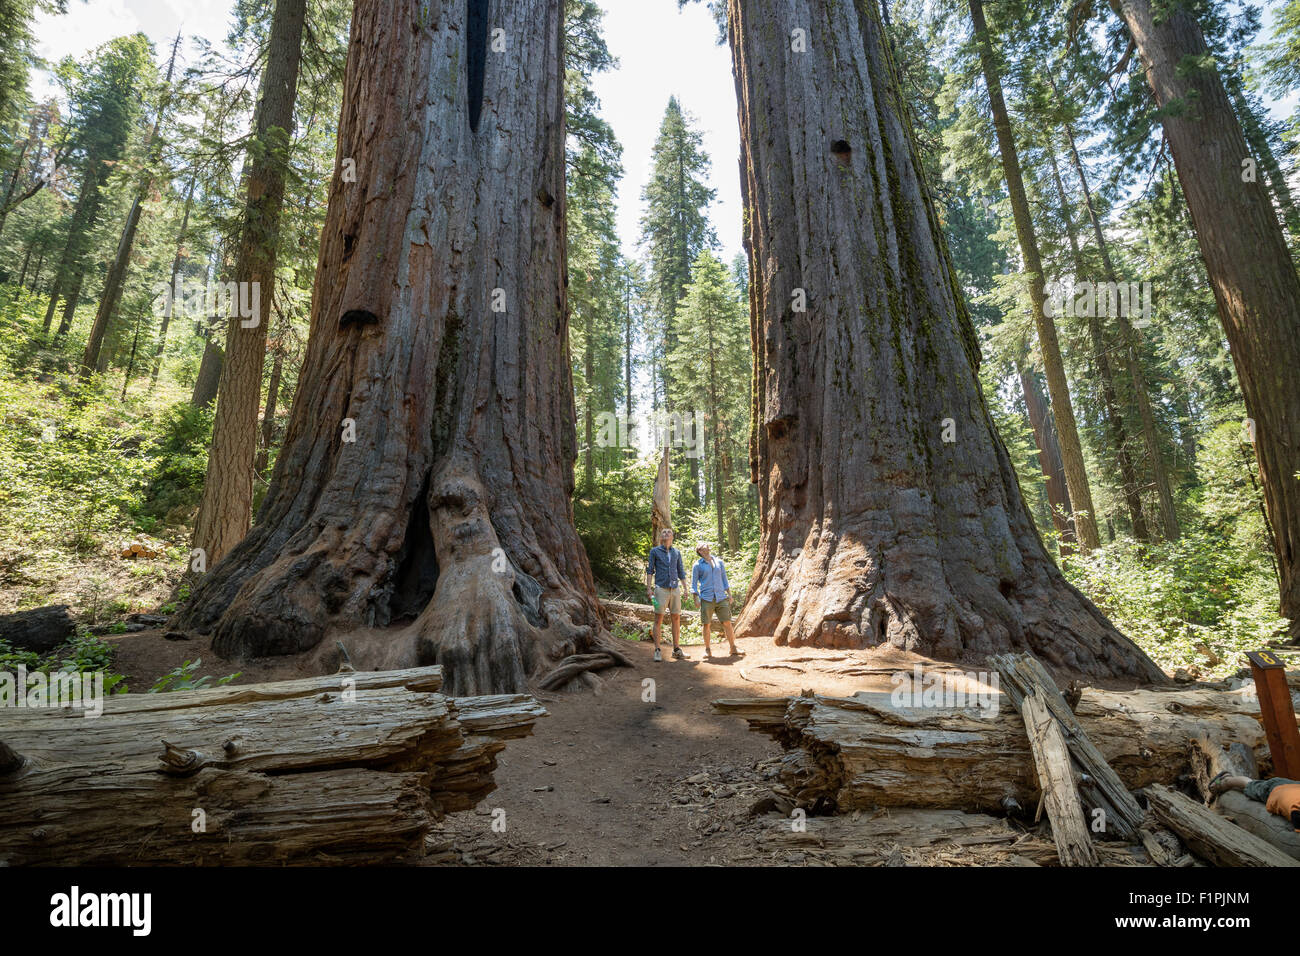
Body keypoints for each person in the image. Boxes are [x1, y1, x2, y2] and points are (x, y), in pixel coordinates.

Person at [691, 542, 741, 660]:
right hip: (707, 598)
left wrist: (729, 594)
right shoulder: (697, 565)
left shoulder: (719, 562)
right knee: (706, 624)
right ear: (699, 552)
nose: (705, 549)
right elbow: (694, 584)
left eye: (706, 547)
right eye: (702, 549)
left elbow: (724, 579)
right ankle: (707, 650)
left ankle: (733, 647)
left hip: (721, 597)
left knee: (727, 622)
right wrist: (696, 598)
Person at [645, 528, 689, 662]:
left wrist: (685, 588)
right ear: (661, 537)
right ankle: (657, 650)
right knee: (658, 619)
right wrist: (649, 588)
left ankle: (676, 649)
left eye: (668, 532)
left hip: (675, 589)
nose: (666, 533)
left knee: (676, 618)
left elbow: (681, 571)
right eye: (663, 532)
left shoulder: (676, 552)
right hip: (660, 590)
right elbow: (650, 570)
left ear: (672, 536)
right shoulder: (655, 551)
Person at [1211, 773, 1300, 831]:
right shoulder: (1297, 813)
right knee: (1250, 785)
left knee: (1254, 784)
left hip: (1294, 786)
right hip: (1276, 789)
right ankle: (1226, 780)